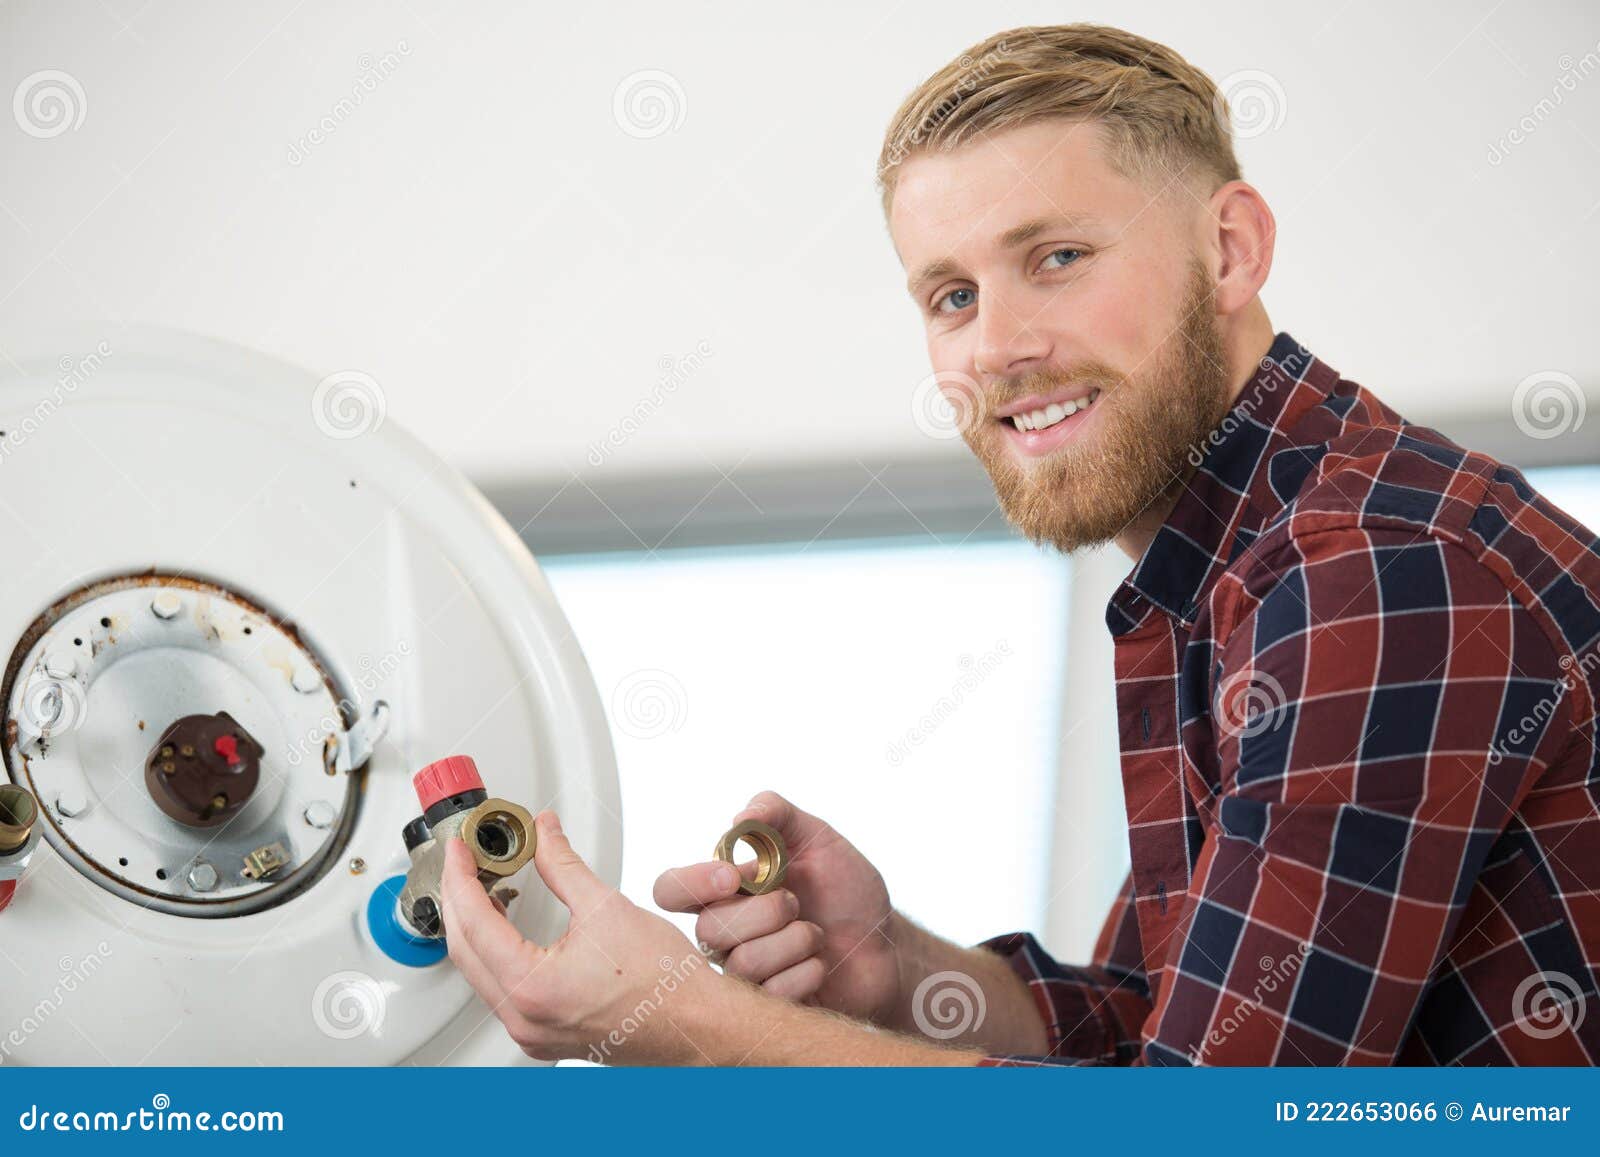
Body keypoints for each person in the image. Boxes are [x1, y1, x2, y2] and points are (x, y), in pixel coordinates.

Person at [439, 23, 1600, 1065]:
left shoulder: (1373, 569)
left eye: (1055, 258)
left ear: (1231, 248)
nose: (996, 347)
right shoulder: (1227, 574)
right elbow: (1163, 1025)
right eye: (950, 296)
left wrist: (681, 1018)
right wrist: (904, 973)